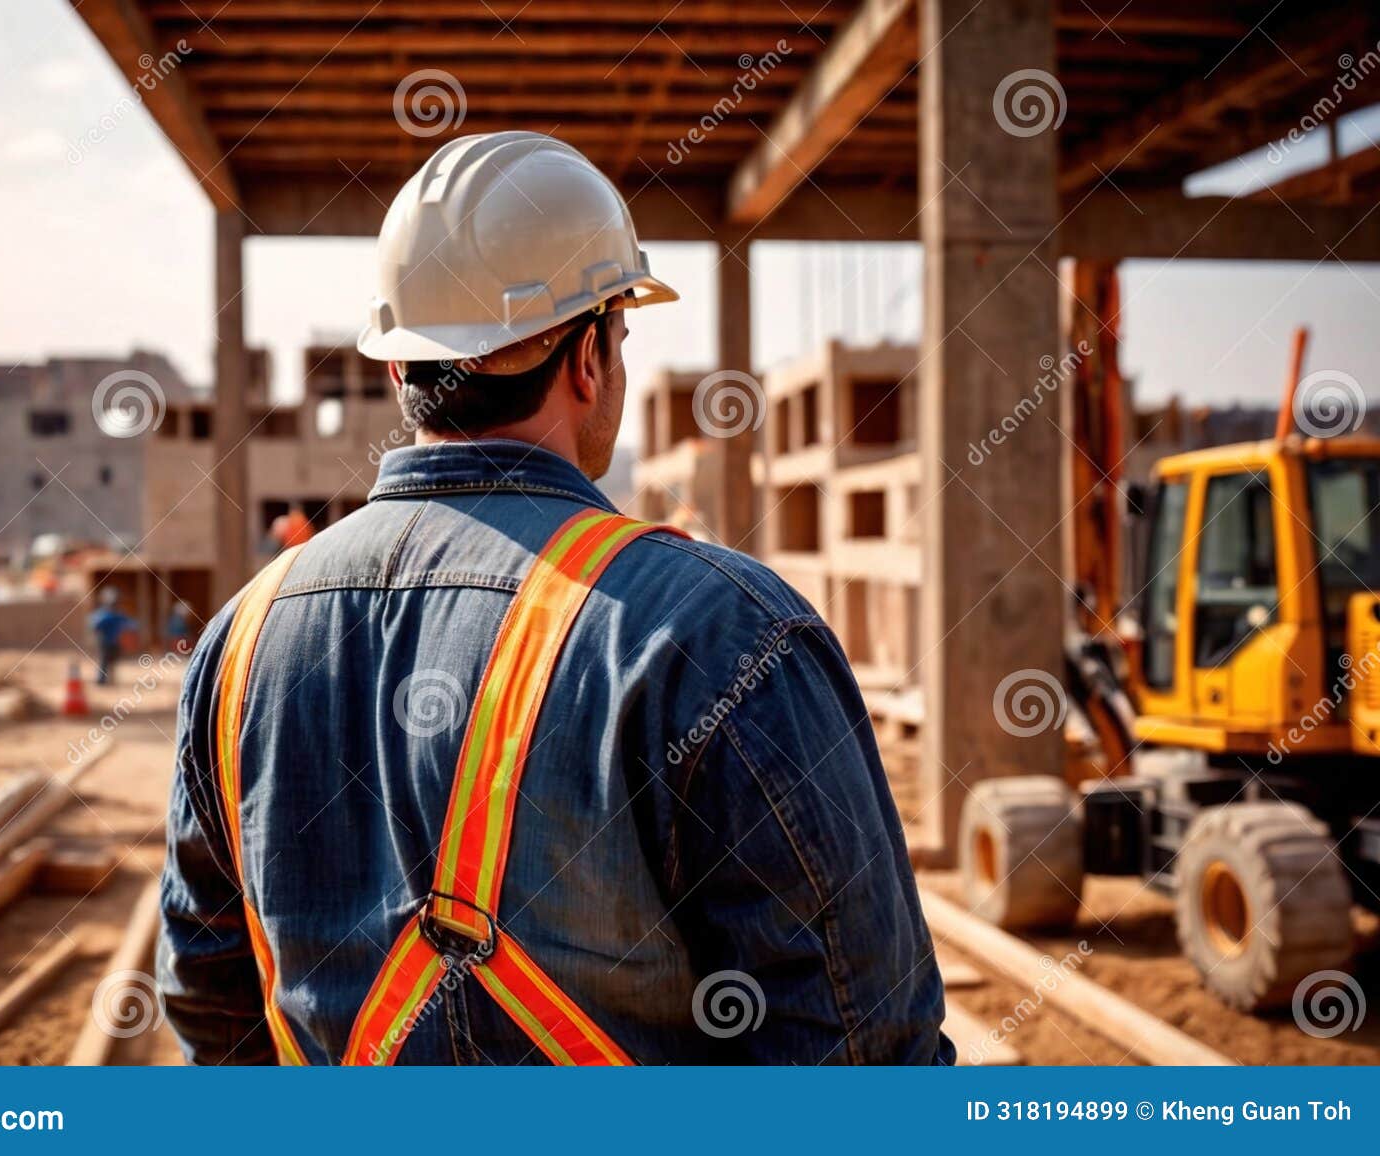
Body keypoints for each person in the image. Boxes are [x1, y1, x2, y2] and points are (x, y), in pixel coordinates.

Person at [160, 132, 950, 1066]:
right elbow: (861, 1054)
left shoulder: (240, 642)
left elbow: (211, 998)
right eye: (617, 333)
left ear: (397, 368)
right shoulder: (720, 632)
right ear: (587, 357)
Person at [88, 588, 134, 686]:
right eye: (113, 602)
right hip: (104, 642)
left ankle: (111, 680)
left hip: (115, 642)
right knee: (103, 661)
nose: (115, 604)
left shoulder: (118, 614)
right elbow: (94, 625)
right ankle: (101, 680)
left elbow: (129, 623)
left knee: (113, 661)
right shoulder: (102, 614)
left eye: (116, 602)